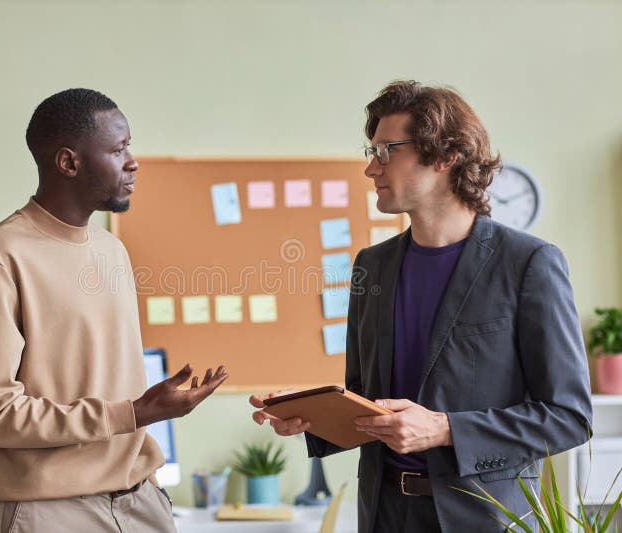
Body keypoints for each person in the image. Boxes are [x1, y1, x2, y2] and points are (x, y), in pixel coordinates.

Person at [250, 80, 592, 533]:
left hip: (484, 519)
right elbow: (369, 401)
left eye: (386, 150)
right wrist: (311, 416)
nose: (371, 168)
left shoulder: (529, 263)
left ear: (447, 155)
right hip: (383, 514)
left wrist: (446, 429)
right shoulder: (370, 266)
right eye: (370, 152)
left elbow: (569, 417)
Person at [0, 88, 228, 533]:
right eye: (118, 148)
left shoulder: (112, 250)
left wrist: (142, 437)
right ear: (68, 162)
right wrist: (134, 413)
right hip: (48, 511)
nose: (132, 161)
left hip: (141, 501)